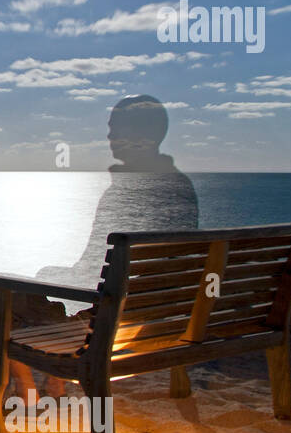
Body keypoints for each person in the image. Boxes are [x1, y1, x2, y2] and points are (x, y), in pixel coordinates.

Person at [23, 95, 199, 396]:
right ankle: (53, 381)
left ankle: (31, 387)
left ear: (142, 135)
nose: (109, 137)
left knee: (13, 300)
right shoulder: (181, 187)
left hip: (119, 323)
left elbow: (92, 270)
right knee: (45, 280)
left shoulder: (122, 195)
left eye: (116, 129)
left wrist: (42, 278)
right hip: (168, 318)